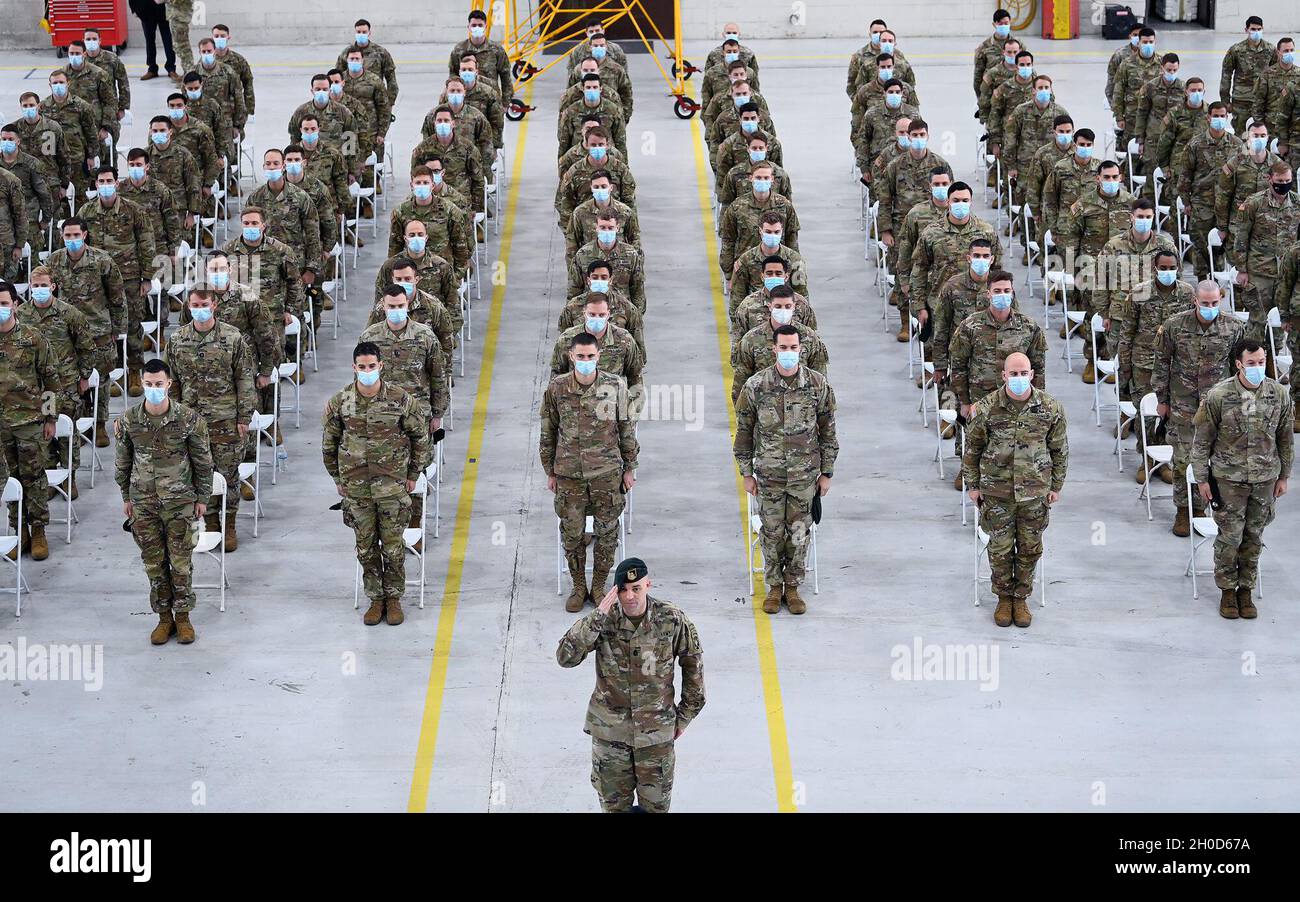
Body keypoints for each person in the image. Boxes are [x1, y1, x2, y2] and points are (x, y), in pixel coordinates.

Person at [556, 557, 705, 813]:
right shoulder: (604, 621)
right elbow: (565, 657)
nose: (629, 596)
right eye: (623, 590)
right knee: (614, 809)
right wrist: (597, 616)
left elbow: (694, 668)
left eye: (636, 588)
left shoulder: (672, 619)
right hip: (610, 734)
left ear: (648, 585)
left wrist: (683, 718)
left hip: (655, 736)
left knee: (655, 808)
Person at [322, 342, 429, 626]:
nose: (367, 371)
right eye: (362, 367)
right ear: (354, 367)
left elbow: (420, 437)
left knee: (393, 546)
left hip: (392, 486)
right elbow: (329, 444)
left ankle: (393, 598)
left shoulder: (400, 399)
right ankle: (375, 598)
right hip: (357, 487)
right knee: (366, 547)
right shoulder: (340, 402)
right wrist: (337, 478)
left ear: (380, 366)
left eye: (372, 366)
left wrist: (413, 474)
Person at [733, 325, 838, 615]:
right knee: (771, 532)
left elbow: (828, 431)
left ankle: (793, 587)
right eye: (784, 348)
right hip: (769, 476)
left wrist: (827, 472)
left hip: (805, 476)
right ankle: (774, 587)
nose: (789, 353)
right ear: (774, 349)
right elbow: (744, 432)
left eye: (794, 348)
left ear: (800, 349)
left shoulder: (817, 385)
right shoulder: (756, 386)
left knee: (799, 532)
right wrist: (746, 472)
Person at [963, 352, 1068, 628]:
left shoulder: (1050, 408)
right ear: (1004, 376)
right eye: (1014, 374)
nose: (1019, 379)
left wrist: (1056, 486)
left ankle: (1020, 597)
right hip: (996, 492)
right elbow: (972, 449)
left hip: (1034, 493)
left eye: (1024, 374)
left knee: (1030, 548)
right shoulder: (986, 408)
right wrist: (973, 486)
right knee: (1000, 548)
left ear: (1032, 375)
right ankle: (1003, 598)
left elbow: (1059, 450)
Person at [1191, 339, 1292, 619]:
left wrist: (1284, 475)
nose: (1257, 367)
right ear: (1238, 364)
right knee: (1229, 538)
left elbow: (1285, 439)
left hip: (1264, 479)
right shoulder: (1218, 396)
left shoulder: (1278, 394)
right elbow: (1201, 442)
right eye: (1251, 363)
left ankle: (1245, 591)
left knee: (1254, 537)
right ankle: (1227, 592)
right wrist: (1202, 479)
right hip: (1228, 480)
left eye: (1261, 362)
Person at [116, 358, 213, 645]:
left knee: (181, 564)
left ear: (169, 384)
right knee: (154, 564)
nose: (154, 389)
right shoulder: (129, 421)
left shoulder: (189, 420)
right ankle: (163, 618)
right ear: (142, 384)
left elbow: (203, 462)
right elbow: (122, 463)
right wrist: (125, 497)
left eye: (159, 384)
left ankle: (183, 617)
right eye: (148, 384)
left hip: (181, 503)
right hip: (143, 504)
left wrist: (203, 498)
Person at [541, 332, 638, 612]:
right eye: (580, 356)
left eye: (590, 356)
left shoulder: (615, 386)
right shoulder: (557, 388)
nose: (585, 361)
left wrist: (629, 467)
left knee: (607, 533)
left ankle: (598, 585)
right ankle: (578, 585)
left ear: (598, 356)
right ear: (571, 356)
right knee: (572, 534)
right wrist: (550, 469)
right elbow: (548, 431)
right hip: (569, 473)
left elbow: (625, 430)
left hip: (606, 473)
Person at [162, 287, 257, 553]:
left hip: (226, 421)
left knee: (227, 476)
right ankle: (211, 522)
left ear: (214, 305)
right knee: (197, 476)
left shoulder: (232, 337)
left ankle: (229, 524)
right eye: (194, 304)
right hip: (191, 423)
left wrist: (243, 416)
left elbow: (244, 379)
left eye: (203, 303)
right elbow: (172, 382)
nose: (198, 308)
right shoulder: (178, 339)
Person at [1153, 281, 1245, 536]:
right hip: (1183, 402)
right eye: (1205, 303)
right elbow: (1161, 362)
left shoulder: (1233, 327)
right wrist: (1162, 399)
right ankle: (1184, 510)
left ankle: (1203, 507)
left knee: (1214, 459)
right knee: (1183, 460)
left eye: (1215, 303)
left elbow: (1238, 366)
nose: (1210, 308)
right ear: (1195, 300)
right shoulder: (1174, 326)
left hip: (1219, 405)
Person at [0, 282, 58, 561]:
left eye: (3, 303)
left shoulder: (33, 338)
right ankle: (18, 530)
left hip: (30, 421)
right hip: (1, 425)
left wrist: (51, 416)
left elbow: (50, 378)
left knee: (34, 477)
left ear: (14, 304)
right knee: (9, 478)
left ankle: (38, 530)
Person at [129, 0, 177, 80]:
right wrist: (134, 9)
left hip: (162, 9)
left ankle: (171, 68)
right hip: (145, 10)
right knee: (149, 41)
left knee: (168, 40)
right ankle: (152, 69)